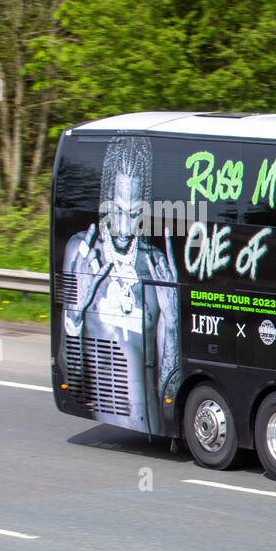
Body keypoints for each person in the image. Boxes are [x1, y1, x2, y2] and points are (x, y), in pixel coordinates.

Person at [60, 136, 179, 434]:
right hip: (107, 424)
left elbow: (171, 396)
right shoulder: (82, 255)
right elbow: (70, 377)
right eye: (118, 211)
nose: (125, 226)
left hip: (151, 429)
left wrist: (174, 322)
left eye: (135, 213)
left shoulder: (156, 267)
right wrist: (75, 313)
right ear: (105, 201)